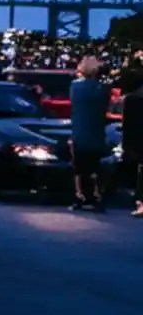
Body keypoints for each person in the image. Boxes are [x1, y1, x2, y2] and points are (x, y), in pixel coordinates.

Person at [68, 56, 111, 212]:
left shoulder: (75, 87)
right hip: (96, 131)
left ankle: (79, 197)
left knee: (79, 168)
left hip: (79, 131)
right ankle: (97, 197)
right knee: (96, 167)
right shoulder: (102, 89)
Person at [121, 72, 143, 218]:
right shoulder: (133, 99)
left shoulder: (132, 99)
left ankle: (141, 202)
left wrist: (127, 145)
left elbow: (127, 125)